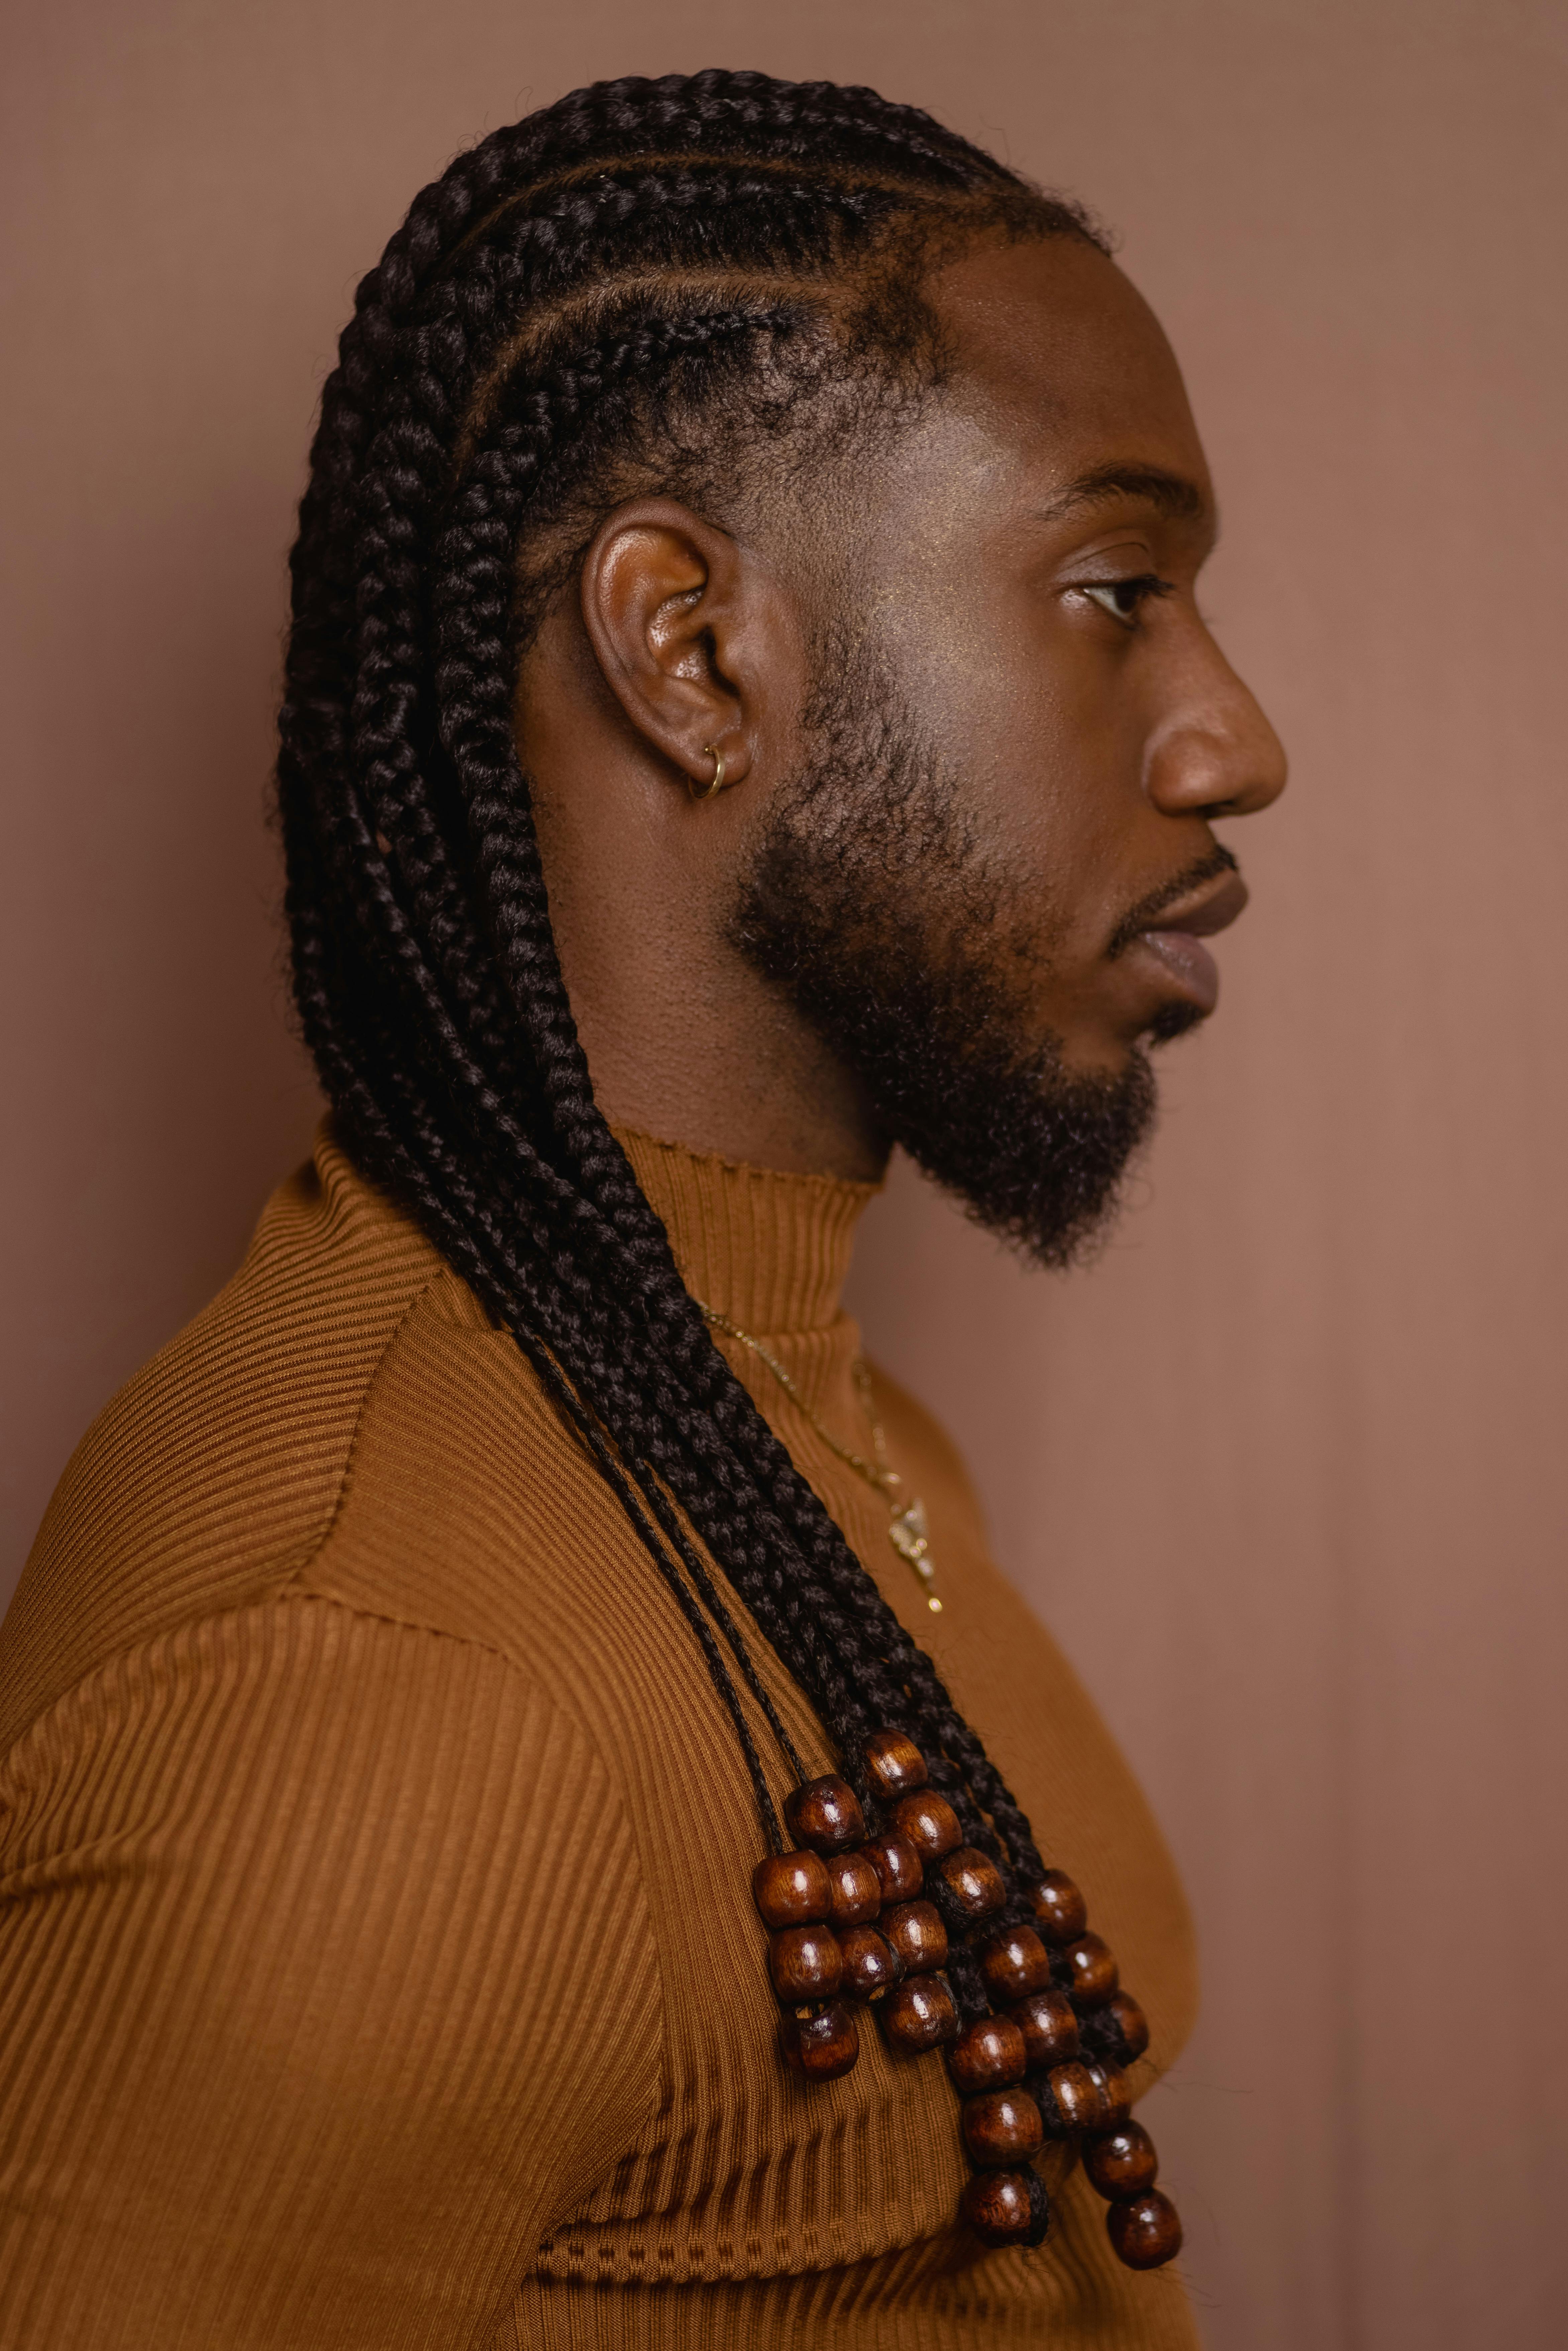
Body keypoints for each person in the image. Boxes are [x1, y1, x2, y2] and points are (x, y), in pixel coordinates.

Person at [0, 68, 1285, 2350]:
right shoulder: (359, 1677)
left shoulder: (790, 1420)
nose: (1229, 737)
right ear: (691, 653)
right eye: (1112, 590)